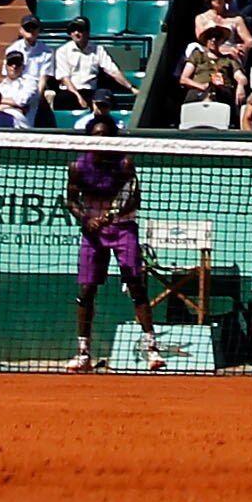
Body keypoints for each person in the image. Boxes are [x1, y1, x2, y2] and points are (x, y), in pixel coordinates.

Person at [65, 139, 167, 370]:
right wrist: (86, 219)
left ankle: (152, 350)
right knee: (86, 289)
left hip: (124, 229)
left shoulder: (124, 164)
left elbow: (134, 197)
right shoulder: (78, 167)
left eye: (106, 136)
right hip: (93, 234)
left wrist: (113, 214)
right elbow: (71, 200)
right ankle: (83, 354)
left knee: (136, 285)